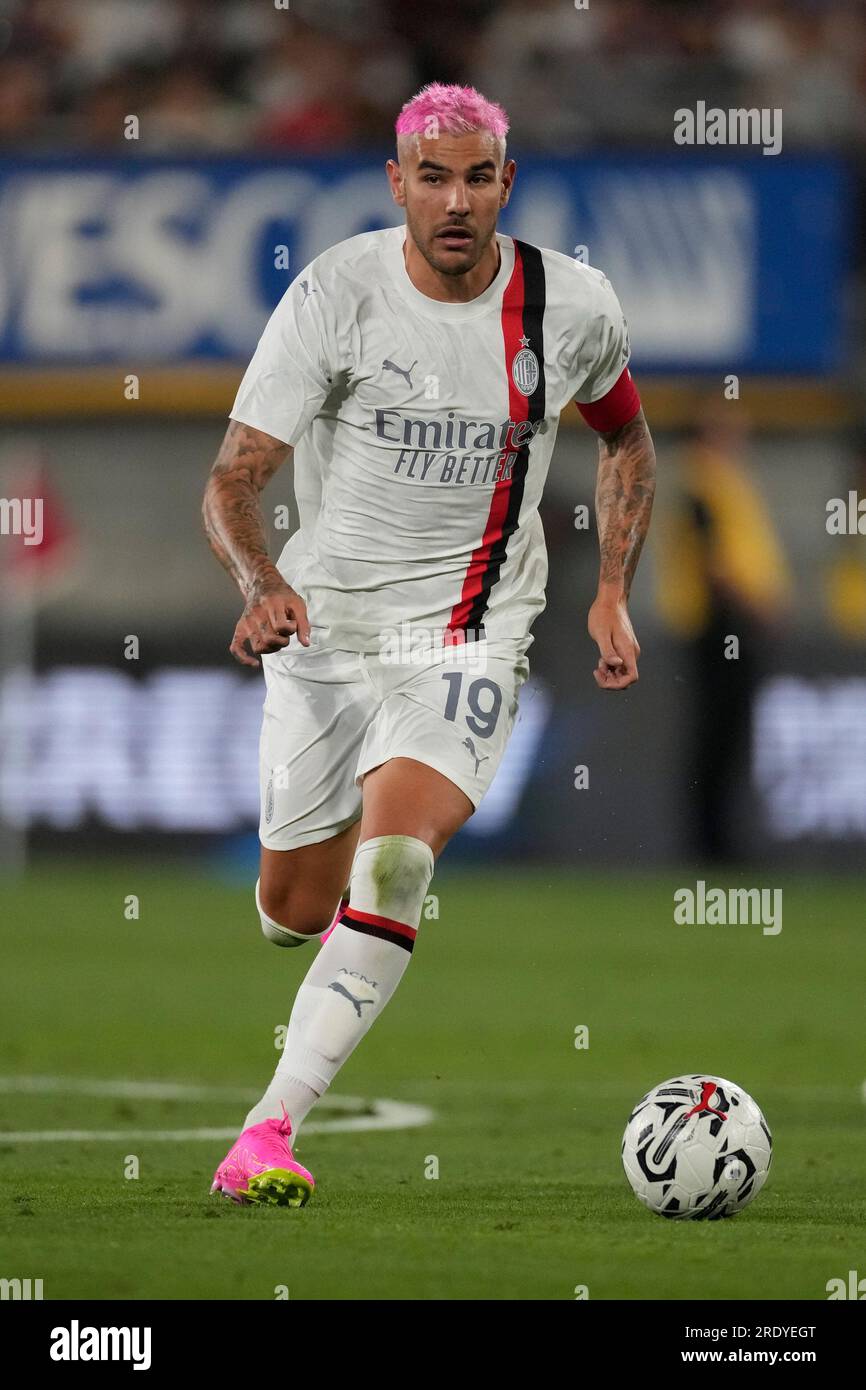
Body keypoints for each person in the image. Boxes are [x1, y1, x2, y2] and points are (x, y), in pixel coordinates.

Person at [201, 82, 656, 1207]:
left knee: (397, 863)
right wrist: (260, 584)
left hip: (469, 635)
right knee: (294, 912)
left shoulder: (570, 304)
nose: (456, 200)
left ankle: (266, 1130)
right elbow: (234, 478)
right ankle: (336, 850)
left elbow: (627, 439)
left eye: (478, 176)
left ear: (508, 182)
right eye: (433, 176)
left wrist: (609, 591)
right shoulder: (332, 295)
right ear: (395, 182)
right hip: (326, 631)